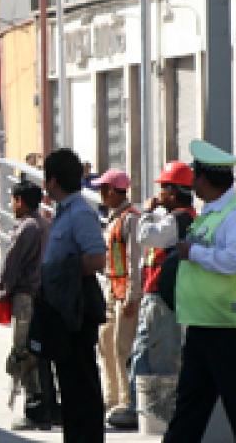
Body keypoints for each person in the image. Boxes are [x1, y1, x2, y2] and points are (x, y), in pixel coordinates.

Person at [163, 139, 236, 443]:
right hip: (207, 323)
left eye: (195, 175)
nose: (192, 182)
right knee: (191, 406)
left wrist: (194, 253)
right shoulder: (213, 213)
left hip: (226, 326)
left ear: (204, 179)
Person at [29, 147, 106, 443]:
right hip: (59, 308)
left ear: (52, 182)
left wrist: (62, 273)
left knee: (82, 381)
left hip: (76, 306)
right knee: (69, 382)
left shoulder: (81, 213)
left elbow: (96, 258)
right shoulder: (62, 212)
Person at [128, 160, 196, 426]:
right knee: (145, 350)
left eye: (164, 189)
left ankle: (151, 412)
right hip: (159, 295)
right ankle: (142, 408)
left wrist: (146, 212)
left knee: (154, 354)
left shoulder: (178, 219)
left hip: (162, 297)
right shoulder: (179, 218)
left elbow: (147, 236)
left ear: (174, 191)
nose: (159, 195)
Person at [0, 181, 55, 430]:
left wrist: (1, 291)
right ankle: (46, 409)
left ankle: (35, 411)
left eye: (13, 200)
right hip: (44, 297)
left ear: (20, 200)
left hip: (25, 298)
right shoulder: (46, 225)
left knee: (24, 354)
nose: (12, 205)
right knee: (38, 354)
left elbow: (12, 263)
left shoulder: (27, 228)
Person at [91, 169, 141, 430]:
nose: (100, 195)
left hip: (125, 295)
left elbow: (135, 260)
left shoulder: (131, 219)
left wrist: (133, 296)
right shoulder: (114, 219)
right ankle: (111, 397)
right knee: (105, 342)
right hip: (112, 290)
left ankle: (126, 400)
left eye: (103, 190)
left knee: (123, 347)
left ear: (113, 191)